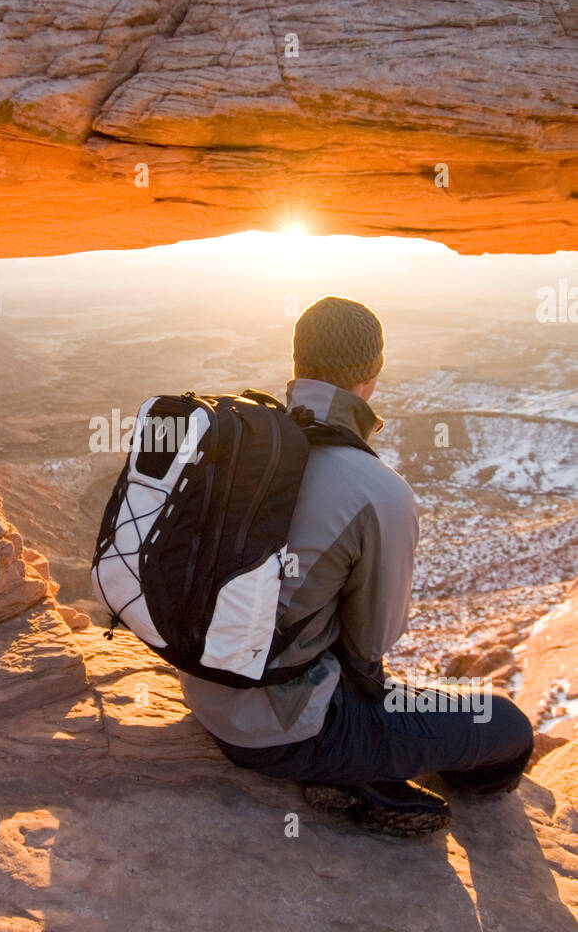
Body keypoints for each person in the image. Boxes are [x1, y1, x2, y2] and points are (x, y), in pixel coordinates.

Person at [177, 296, 535, 837]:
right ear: (375, 371)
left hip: (204, 690)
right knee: (507, 727)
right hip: (288, 729)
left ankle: (364, 764)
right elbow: (372, 643)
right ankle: (362, 767)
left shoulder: (243, 447)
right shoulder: (378, 492)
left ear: (297, 363)